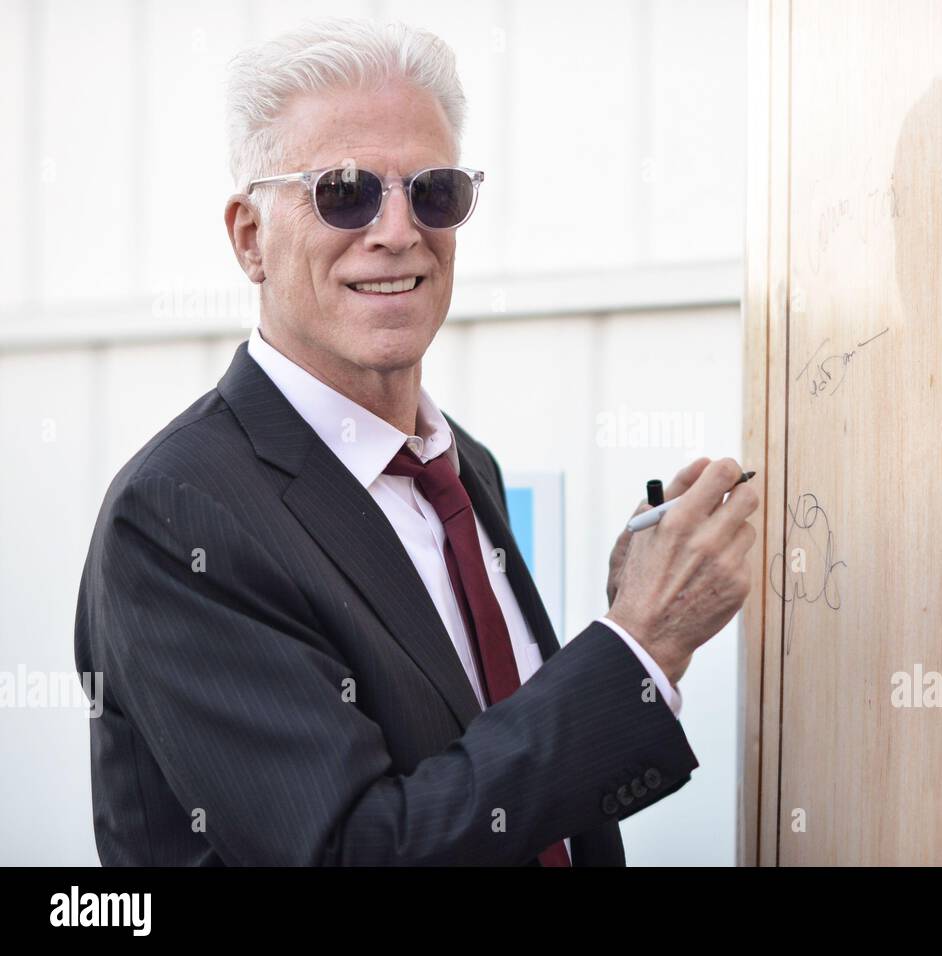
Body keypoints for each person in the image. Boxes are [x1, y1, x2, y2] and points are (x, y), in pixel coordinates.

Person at [73, 17, 758, 866]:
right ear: (250, 236)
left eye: (433, 192)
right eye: (345, 191)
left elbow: (490, 768)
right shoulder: (178, 517)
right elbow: (354, 853)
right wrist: (640, 644)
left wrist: (623, 623)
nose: (397, 231)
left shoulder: (463, 467)